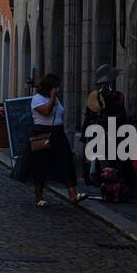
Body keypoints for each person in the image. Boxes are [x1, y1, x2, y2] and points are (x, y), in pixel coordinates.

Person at [26, 73, 86, 209]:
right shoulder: (37, 99)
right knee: (40, 164)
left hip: (58, 133)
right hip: (42, 134)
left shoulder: (55, 99)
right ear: (49, 87)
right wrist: (52, 98)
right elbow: (46, 112)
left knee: (66, 161)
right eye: (55, 87)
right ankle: (39, 197)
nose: (57, 90)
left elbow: (59, 113)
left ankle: (73, 194)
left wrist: (54, 98)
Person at [81, 64, 129, 188]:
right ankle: (104, 179)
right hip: (105, 132)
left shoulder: (107, 96)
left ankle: (105, 179)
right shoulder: (112, 97)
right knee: (104, 159)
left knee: (105, 158)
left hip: (106, 132)